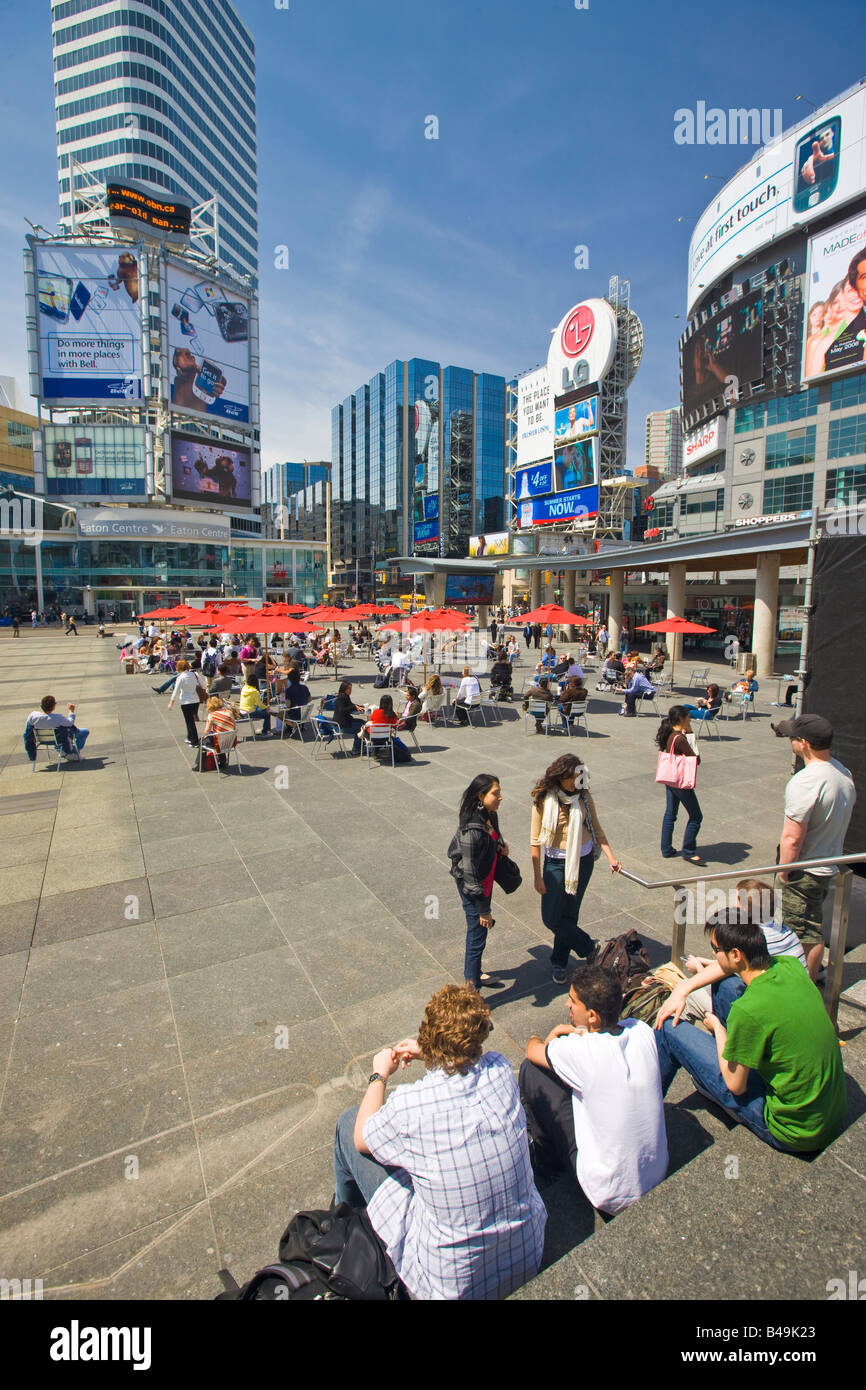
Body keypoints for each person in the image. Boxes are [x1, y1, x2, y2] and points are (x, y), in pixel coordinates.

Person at [332, 984, 546, 1300]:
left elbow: (363, 1138)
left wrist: (379, 1075)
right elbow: (468, 1061)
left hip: (450, 1287)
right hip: (526, 1255)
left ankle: (343, 1226)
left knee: (348, 1125)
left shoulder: (412, 1106)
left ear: (430, 1036)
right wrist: (432, 1051)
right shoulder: (500, 1069)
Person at [654, 912, 847, 1153]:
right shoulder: (789, 965)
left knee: (670, 1032)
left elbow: (735, 1085)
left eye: (715, 950)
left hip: (793, 1130)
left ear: (735, 954)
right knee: (725, 985)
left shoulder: (748, 1010)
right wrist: (683, 989)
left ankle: (639, 1114)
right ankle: (738, 1056)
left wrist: (719, 1029)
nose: (713, 955)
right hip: (829, 1112)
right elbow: (724, 971)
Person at [520, 964, 668, 1207]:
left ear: (592, 1016)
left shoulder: (581, 1051)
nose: (567, 1005)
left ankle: (546, 1163)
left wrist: (555, 1033)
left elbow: (532, 1050)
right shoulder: (642, 1031)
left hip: (607, 1192)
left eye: (573, 1001)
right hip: (657, 1171)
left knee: (531, 1070)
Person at [654, 880, 807, 1030]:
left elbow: (727, 971)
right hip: (793, 1005)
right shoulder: (787, 933)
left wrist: (699, 970)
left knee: (689, 993)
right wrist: (708, 963)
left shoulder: (755, 940)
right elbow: (738, 966)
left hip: (766, 1015)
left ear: (743, 912)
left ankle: (671, 1036)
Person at [771, 714, 856, 981]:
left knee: (802, 932)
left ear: (804, 743)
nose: (790, 741)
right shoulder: (843, 772)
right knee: (810, 925)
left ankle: (801, 984)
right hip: (827, 861)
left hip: (804, 869)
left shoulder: (806, 780)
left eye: (793, 737)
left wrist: (785, 871)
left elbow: (792, 838)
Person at [531, 753, 621, 984]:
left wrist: (611, 857)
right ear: (559, 775)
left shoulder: (584, 797)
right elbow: (534, 841)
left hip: (583, 861)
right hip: (555, 863)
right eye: (571, 777)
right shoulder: (543, 798)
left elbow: (597, 829)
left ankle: (559, 962)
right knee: (550, 917)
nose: (574, 782)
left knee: (569, 914)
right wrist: (537, 876)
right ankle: (589, 947)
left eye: (578, 777)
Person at [448, 774, 510, 990]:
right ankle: (471, 991)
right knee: (477, 933)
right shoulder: (472, 829)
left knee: (480, 933)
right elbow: (470, 873)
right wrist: (484, 909)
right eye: (496, 794)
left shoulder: (489, 814)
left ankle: (474, 973)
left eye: (500, 792)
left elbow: (495, 836)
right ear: (481, 795)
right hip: (472, 886)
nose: (500, 797)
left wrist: (501, 845)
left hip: (486, 879)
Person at [657, 706, 704, 865]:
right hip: (680, 782)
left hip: (670, 778)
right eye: (688, 718)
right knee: (696, 815)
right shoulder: (680, 738)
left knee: (670, 813)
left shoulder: (671, 734)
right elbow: (695, 759)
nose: (690, 720)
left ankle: (666, 848)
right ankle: (689, 851)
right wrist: (690, 733)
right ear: (682, 719)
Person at [25, 696, 89, 760]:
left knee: (60, 733)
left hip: (40, 740)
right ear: (53, 706)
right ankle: (71, 752)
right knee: (85, 731)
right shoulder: (57, 717)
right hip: (58, 740)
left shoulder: (33, 715)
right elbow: (70, 723)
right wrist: (71, 711)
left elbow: (28, 726)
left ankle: (63, 751)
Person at [362, 694, 411, 763]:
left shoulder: (376, 712)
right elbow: (395, 724)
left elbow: (371, 720)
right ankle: (376, 749)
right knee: (382, 733)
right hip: (385, 737)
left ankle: (372, 750)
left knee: (366, 728)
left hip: (373, 737)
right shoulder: (392, 714)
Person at [167, 659, 203, 747]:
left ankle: (194, 741)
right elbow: (204, 685)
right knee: (191, 720)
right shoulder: (195, 674)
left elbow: (176, 690)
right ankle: (189, 737)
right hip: (195, 700)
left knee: (190, 722)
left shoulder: (180, 677)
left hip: (186, 702)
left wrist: (171, 702)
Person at [199, 696, 237, 771]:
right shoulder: (229, 712)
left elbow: (206, 731)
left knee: (201, 742)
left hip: (219, 743)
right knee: (220, 735)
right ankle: (223, 763)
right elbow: (234, 726)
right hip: (231, 742)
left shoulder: (212, 715)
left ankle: (200, 765)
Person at [332, 679, 367, 754]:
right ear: (344, 689)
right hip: (341, 725)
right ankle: (356, 748)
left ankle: (361, 745)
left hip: (345, 722)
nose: (350, 690)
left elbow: (351, 705)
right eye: (349, 689)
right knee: (361, 727)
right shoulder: (341, 698)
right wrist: (355, 706)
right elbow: (343, 710)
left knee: (362, 722)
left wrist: (360, 706)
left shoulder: (346, 696)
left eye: (351, 688)